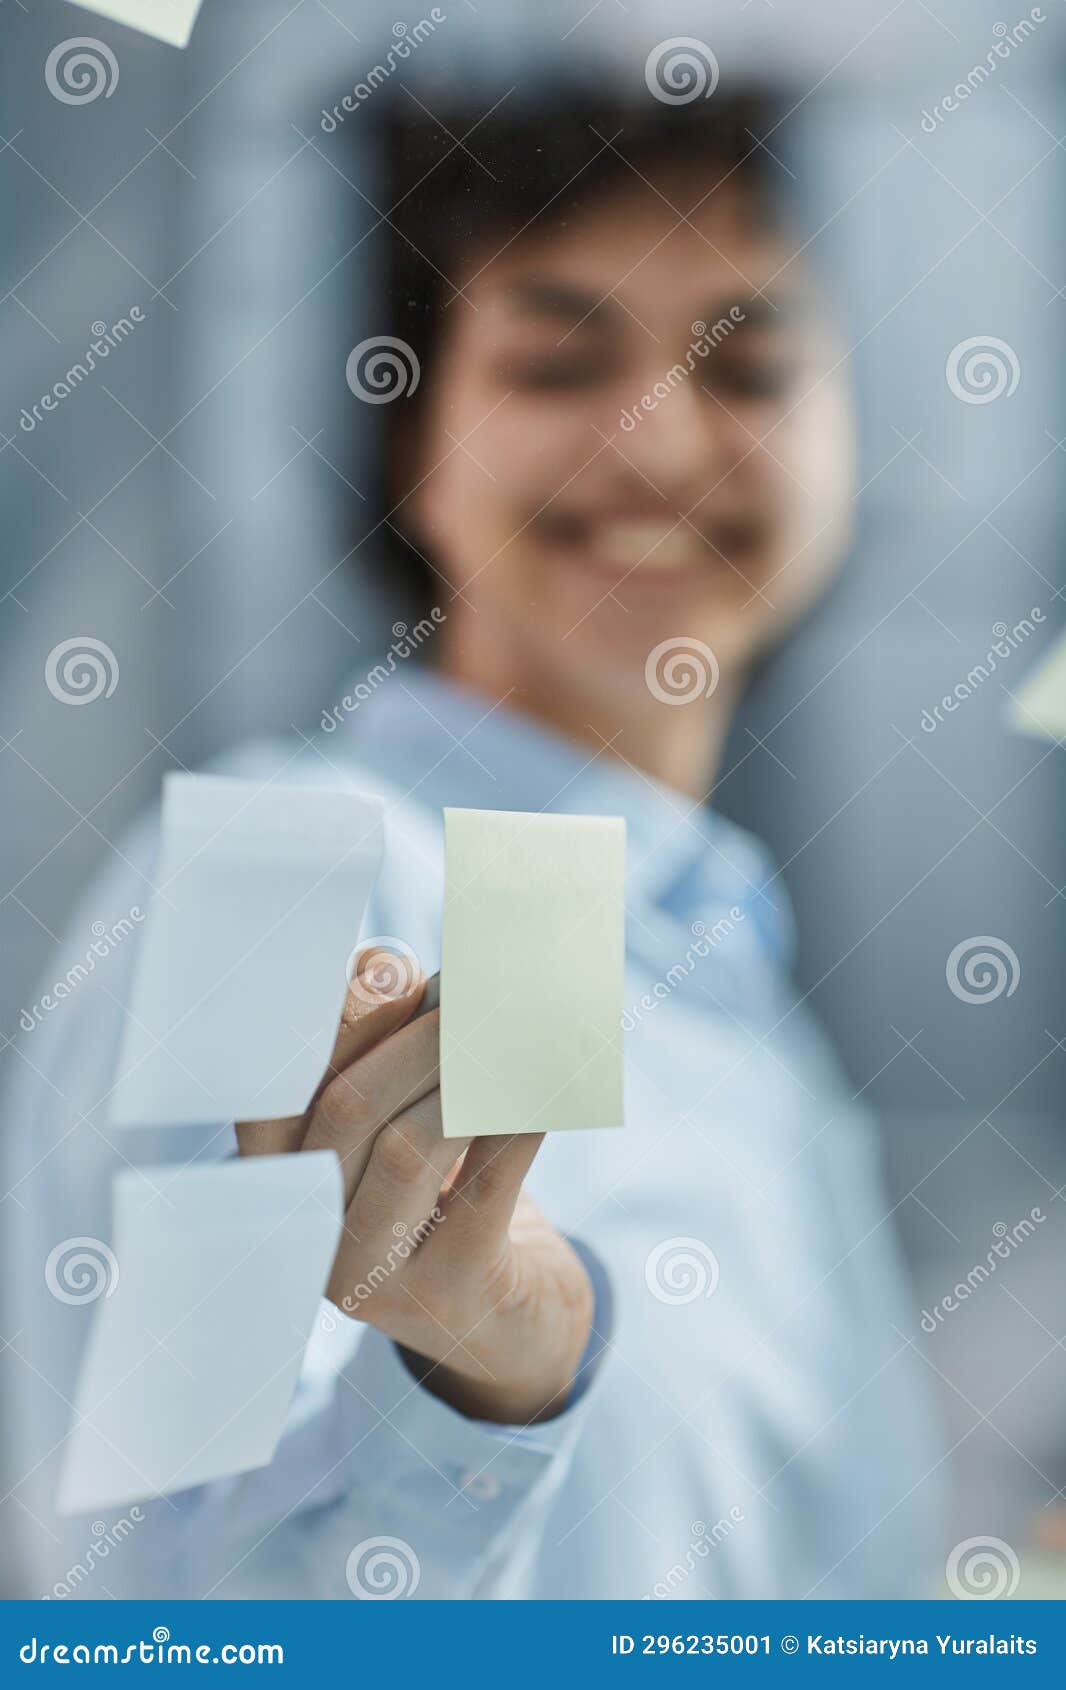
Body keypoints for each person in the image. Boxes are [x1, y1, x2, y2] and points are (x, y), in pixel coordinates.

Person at [3, 86, 940, 1600]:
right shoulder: (290, 880)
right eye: (559, 359)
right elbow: (165, 1611)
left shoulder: (734, 990)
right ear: (411, 447)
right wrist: (489, 1385)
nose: (660, 439)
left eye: (752, 362)